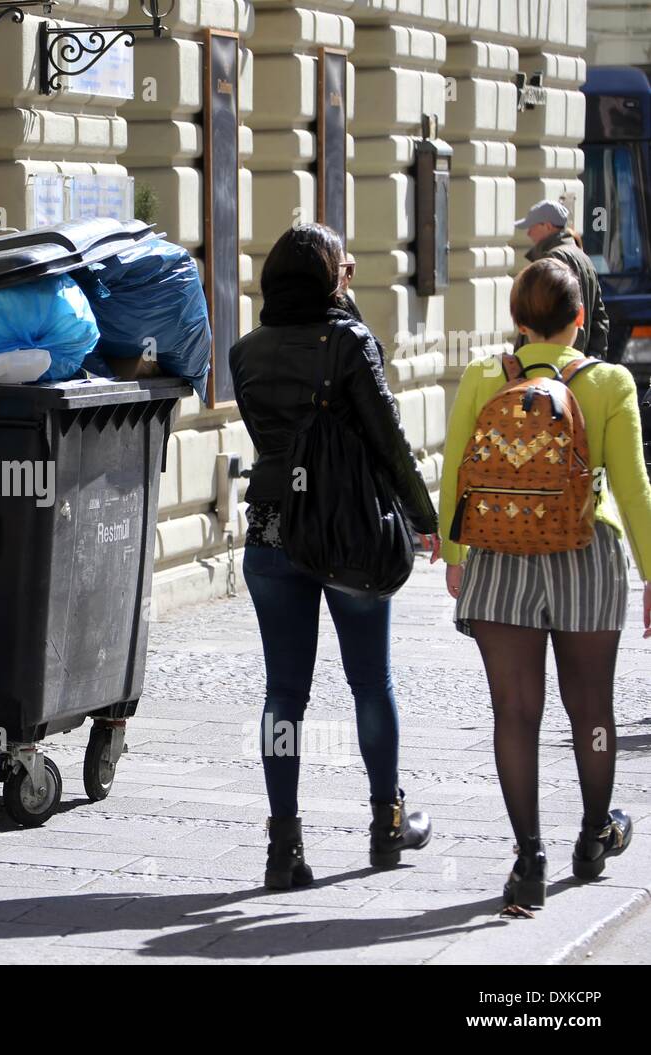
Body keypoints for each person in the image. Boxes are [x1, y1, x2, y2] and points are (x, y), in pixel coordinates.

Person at [230, 224, 439, 891]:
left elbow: (281, 440)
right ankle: (387, 822)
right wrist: (426, 517)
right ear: (333, 278)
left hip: (272, 530)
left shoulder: (246, 351)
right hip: (348, 529)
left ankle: (283, 845)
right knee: (370, 683)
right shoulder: (348, 341)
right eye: (343, 267)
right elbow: (387, 438)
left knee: (282, 694)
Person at [440, 258, 651, 910]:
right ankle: (593, 835)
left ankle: (528, 860)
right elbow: (632, 484)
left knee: (515, 713)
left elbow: (456, 470)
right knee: (591, 707)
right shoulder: (609, 380)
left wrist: (454, 553)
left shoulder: (483, 375)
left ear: (516, 319)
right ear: (579, 318)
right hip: (586, 550)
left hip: (500, 554)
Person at [517, 199, 612, 362]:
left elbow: (537, 315)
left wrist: (525, 362)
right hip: (576, 365)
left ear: (547, 226)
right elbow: (599, 317)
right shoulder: (584, 257)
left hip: (553, 366)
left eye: (532, 226)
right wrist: (594, 358)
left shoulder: (552, 258)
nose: (528, 233)